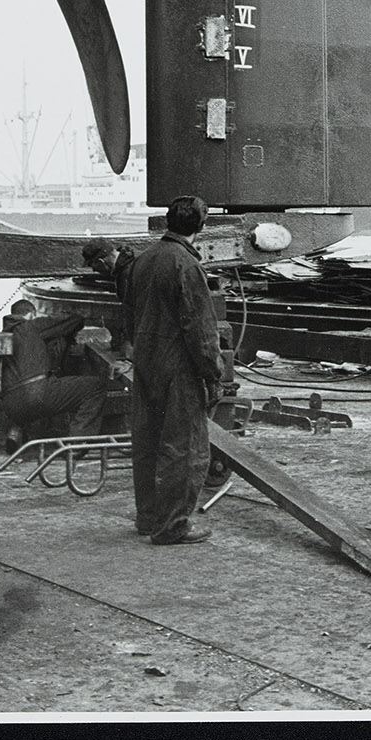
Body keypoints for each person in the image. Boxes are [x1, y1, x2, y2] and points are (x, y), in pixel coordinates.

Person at [121, 195, 224, 545]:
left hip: (146, 360)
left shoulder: (144, 260)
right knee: (185, 446)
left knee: (147, 441)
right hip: (179, 367)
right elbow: (200, 327)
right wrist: (213, 373)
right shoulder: (186, 265)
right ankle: (174, 525)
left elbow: (131, 311)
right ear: (202, 227)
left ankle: (149, 518)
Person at [0, 300, 108, 449]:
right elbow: (75, 319)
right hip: (36, 394)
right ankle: (76, 446)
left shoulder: (3, 335)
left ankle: (15, 431)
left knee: (27, 398)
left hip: (10, 405)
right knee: (96, 387)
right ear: (32, 314)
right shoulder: (31, 326)